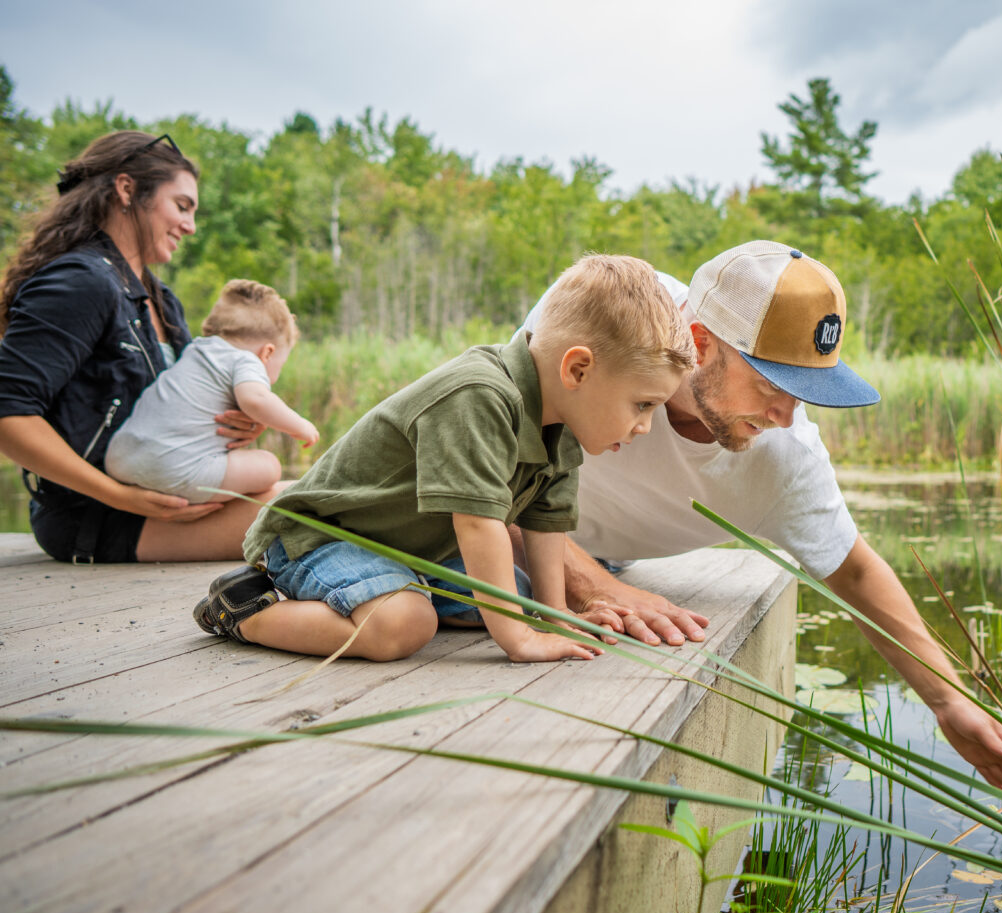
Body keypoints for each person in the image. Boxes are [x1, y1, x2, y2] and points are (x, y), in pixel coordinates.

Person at [538, 241, 1002, 804]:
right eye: (772, 386)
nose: (784, 416)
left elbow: (853, 572)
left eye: (803, 394)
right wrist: (594, 588)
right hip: (483, 524)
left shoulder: (786, 456)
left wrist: (949, 701)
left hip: (593, 553)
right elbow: (484, 468)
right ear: (700, 343)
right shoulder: (605, 308)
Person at [193, 253, 693, 665]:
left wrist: (554, 613)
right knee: (404, 625)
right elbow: (479, 527)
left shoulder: (561, 424)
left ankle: (396, 591)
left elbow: (545, 523)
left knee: (512, 594)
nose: (645, 426)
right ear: (578, 369)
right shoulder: (479, 395)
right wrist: (519, 639)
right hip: (325, 536)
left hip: (410, 550)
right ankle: (245, 611)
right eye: (642, 404)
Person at [0, 130, 273, 564]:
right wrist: (122, 496)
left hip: (168, 495)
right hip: (95, 517)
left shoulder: (161, 300)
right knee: (318, 513)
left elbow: (172, 411)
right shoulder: (82, 282)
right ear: (127, 190)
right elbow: (9, 414)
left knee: (315, 497)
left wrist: (239, 419)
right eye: (182, 206)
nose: (191, 225)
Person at [106, 279, 318, 503]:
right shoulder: (246, 360)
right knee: (269, 467)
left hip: (120, 460)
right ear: (267, 353)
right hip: (175, 470)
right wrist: (300, 425)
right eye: (280, 366)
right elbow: (255, 400)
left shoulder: (196, 349)